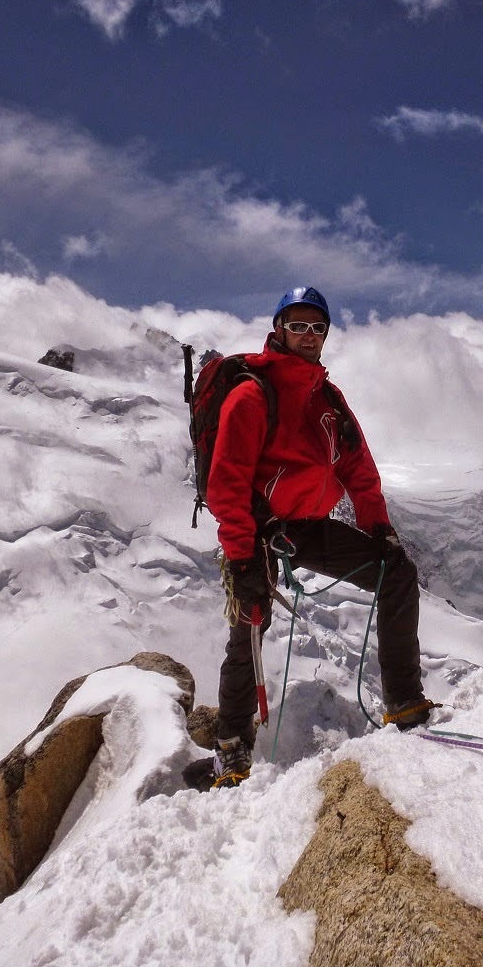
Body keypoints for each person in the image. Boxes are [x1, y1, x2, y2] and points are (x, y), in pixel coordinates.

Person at [204, 286, 432, 788]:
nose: (309, 335)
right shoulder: (251, 394)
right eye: (299, 325)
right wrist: (242, 560)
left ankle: (404, 701)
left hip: (307, 526)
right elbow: (226, 486)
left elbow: (359, 469)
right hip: (262, 532)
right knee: (250, 627)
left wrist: (381, 530)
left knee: (396, 572)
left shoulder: (326, 399)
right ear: (279, 328)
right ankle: (230, 751)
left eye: (317, 327)